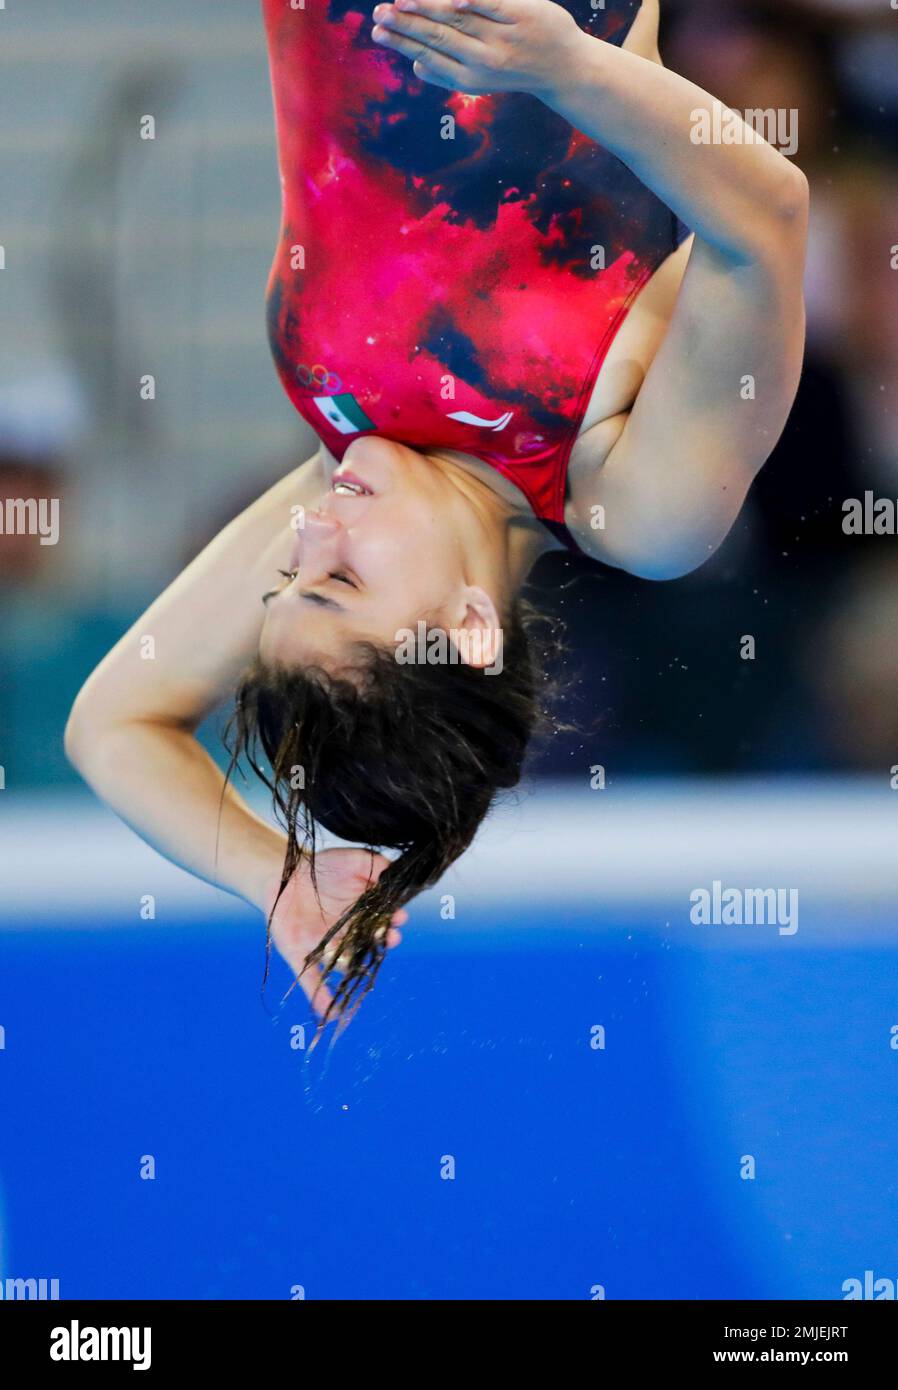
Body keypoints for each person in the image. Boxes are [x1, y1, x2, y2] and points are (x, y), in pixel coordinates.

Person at [66, 0, 808, 1033]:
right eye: (337, 581)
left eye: (285, 581)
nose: (308, 534)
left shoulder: (354, 449)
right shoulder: (630, 498)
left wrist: (275, 879)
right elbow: (766, 213)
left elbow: (114, 727)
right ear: (464, 624)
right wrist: (570, 66)